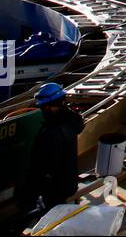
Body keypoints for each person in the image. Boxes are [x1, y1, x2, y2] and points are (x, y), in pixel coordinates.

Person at [22, 84, 85, 217]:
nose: (43, 110)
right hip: (69, 184)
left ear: (50, 106)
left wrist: (34, 193)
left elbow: (45, 167)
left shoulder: (53, 132)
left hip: (54, 191)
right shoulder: (70, 123)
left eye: (44, 107)